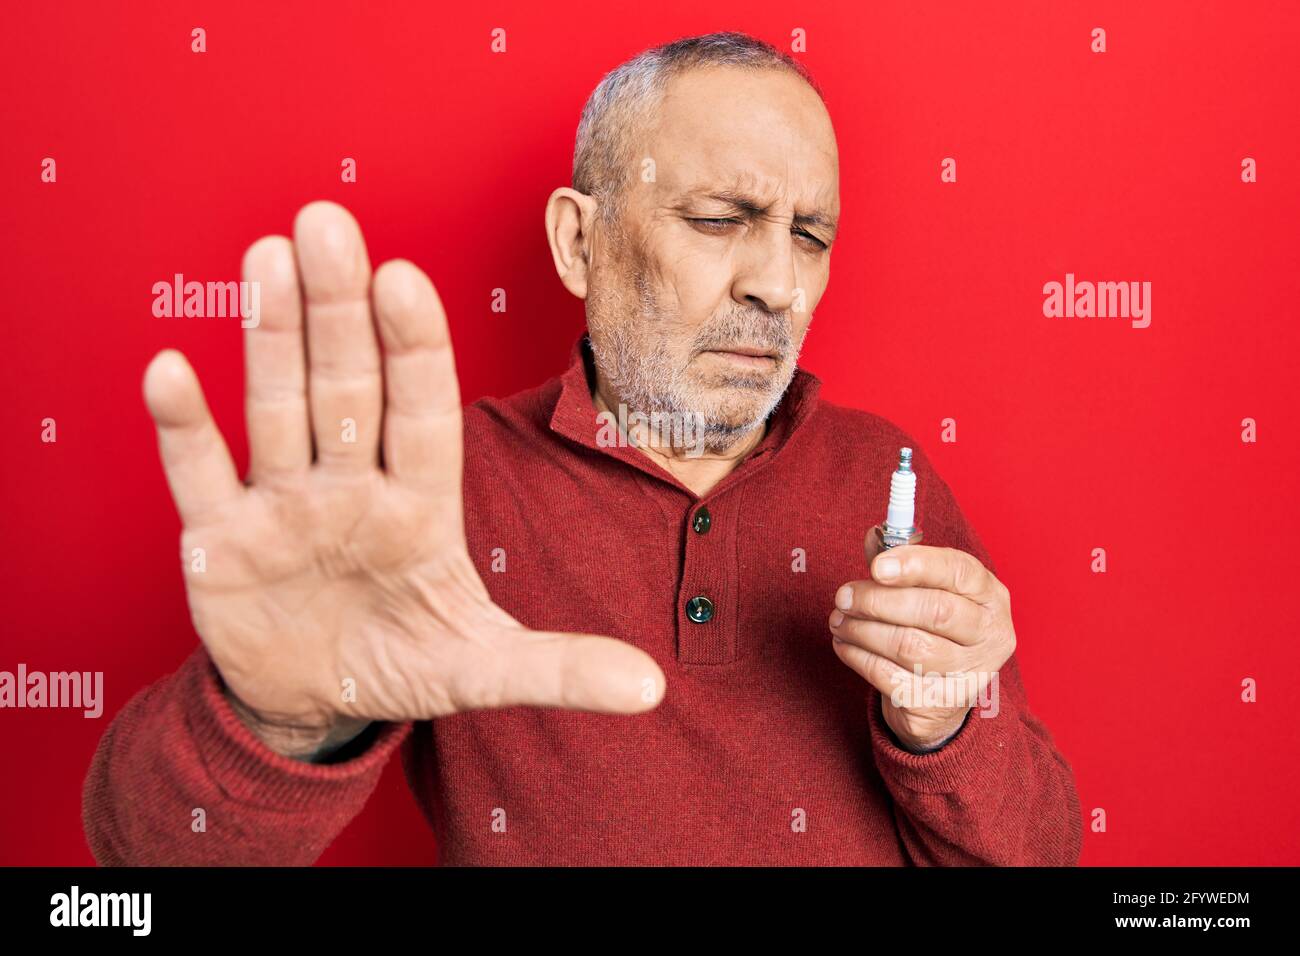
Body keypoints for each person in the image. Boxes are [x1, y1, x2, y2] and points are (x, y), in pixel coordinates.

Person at [82, 31, 1082, 866]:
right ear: (578, 243)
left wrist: (945, 728)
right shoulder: (439, 486)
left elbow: (1040, 850)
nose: (777, 283)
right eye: (718, 218)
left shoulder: (885, 475)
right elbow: (145, 855)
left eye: (809, 234)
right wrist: (279, 724)